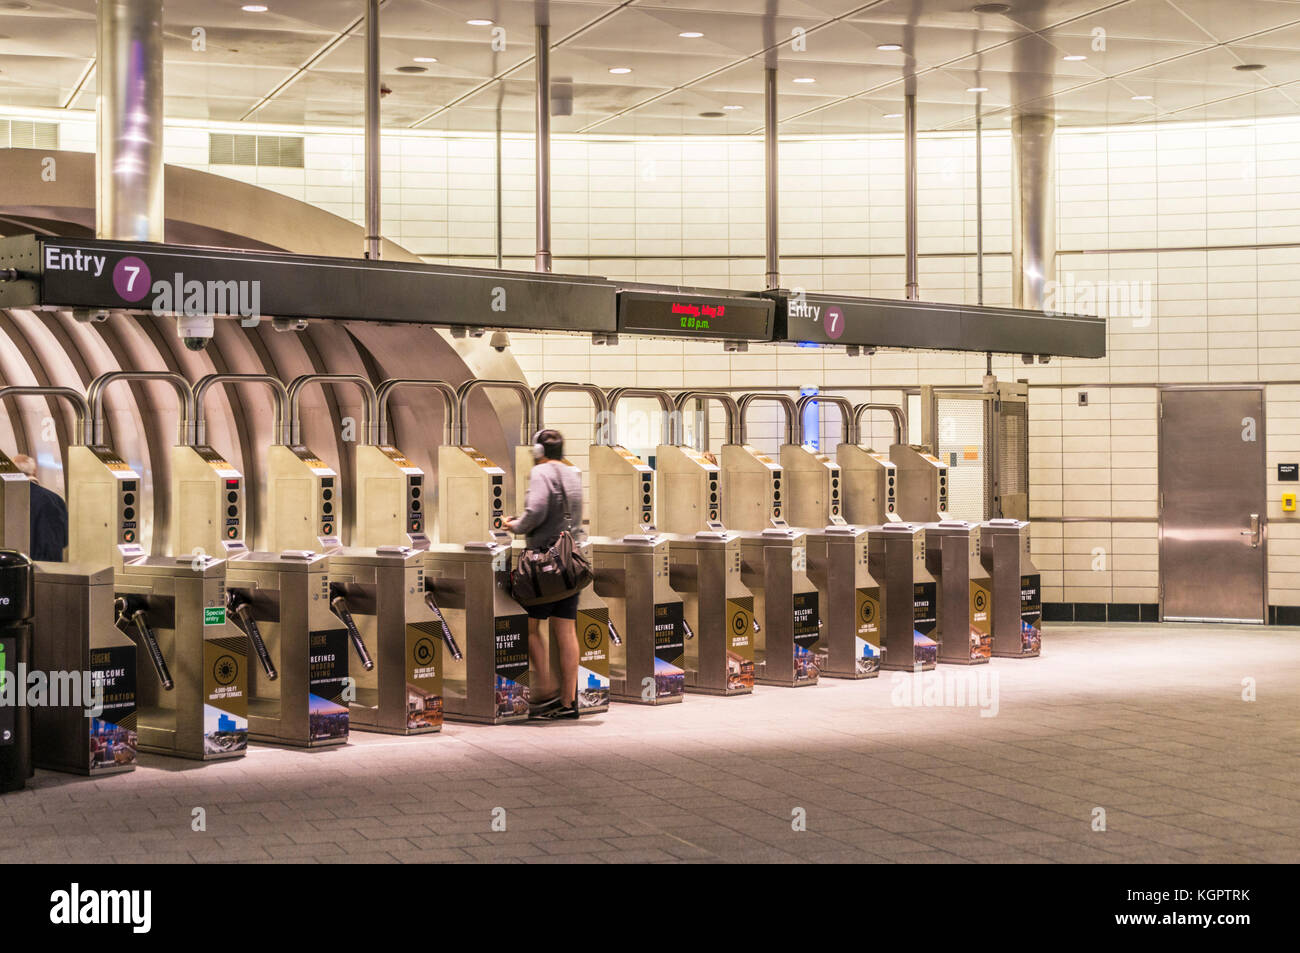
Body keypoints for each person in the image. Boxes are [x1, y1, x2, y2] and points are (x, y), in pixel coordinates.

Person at [504, 429, 584, 721]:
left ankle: (546, 688)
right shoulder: (573, 472)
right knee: (566, 630)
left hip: (544, 567)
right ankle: (568, 700)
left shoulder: (541, 473)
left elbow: (535, 511)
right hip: (570, 562)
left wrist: (514, 524)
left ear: (538, 452)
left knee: (531, 627)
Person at [13, 454, 67, 562]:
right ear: (34, 471)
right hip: (52, 568)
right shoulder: (56, 499)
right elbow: (65, 539)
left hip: (21, 566)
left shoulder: (10, 501)